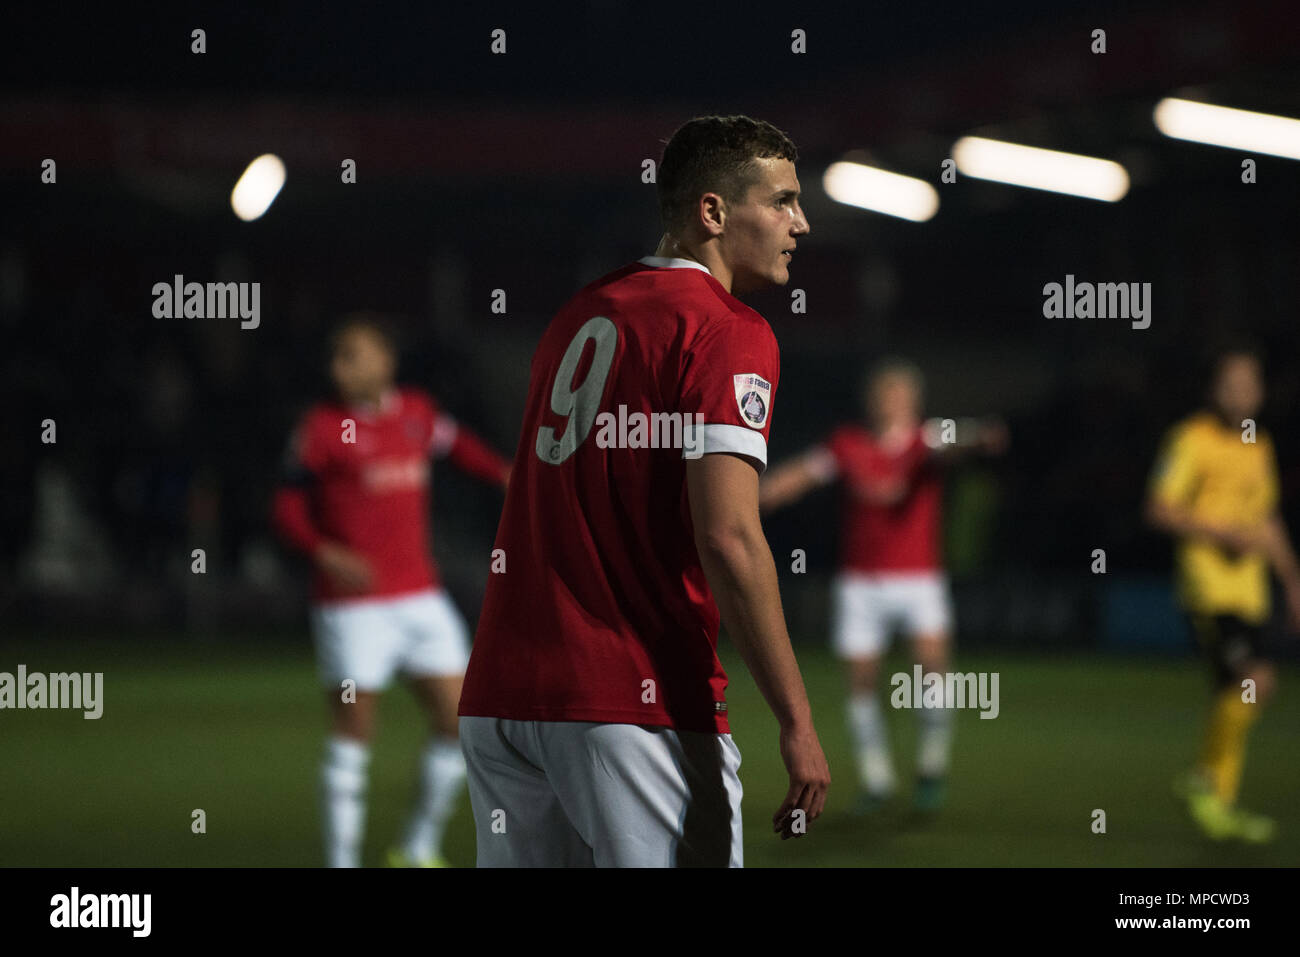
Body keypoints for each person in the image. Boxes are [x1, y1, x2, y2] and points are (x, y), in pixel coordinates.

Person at [457, 114, 830, 867]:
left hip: (501, 697)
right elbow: (728, 535)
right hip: (634, 700)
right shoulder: (728, 330)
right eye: (783, 200)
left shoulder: (579, 313)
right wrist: (796, 718)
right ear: (714, 212)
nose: (803, 222)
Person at [272, 313, 510, 867]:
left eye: (351, 354)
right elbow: (285, 507)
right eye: (336, 357)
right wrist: (324, 550)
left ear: (385, 360)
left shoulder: (416, 414)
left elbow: (459, 448)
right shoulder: (322, 427)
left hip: (419, 598)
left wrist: (504, 473)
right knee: (353, 731)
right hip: (352, 609)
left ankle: (418, 847)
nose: (339, 366)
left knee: (461, 720)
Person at [761, 360, 1006, 813]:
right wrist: (753, 498)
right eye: (882, 393)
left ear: (912, 400)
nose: (889, 401)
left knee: (932, 672)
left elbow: (959, 440)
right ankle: (876, 778)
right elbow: (800, 475)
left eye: (897, 393)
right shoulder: (848, 445)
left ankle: (932, 765)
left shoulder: (925, 440)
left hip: (919, 580)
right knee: (861, 683)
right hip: (860, 585)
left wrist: (981, 436)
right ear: (870, 400)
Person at [1146, 346, 1300, 843]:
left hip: (1251, 592)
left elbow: (1268, 518)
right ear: (1215, 389)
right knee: (1255, 682)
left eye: (1248, 383)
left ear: (1259, 392)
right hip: (1209, 589)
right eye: (1230, 383)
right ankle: (1205, 782)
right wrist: (1221, 534)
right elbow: (1160, 509)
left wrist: (1293, 581)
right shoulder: (1190, 438)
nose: (1240, 392)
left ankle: (1219, 803)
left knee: (1235, 696)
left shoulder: (1259, 445)